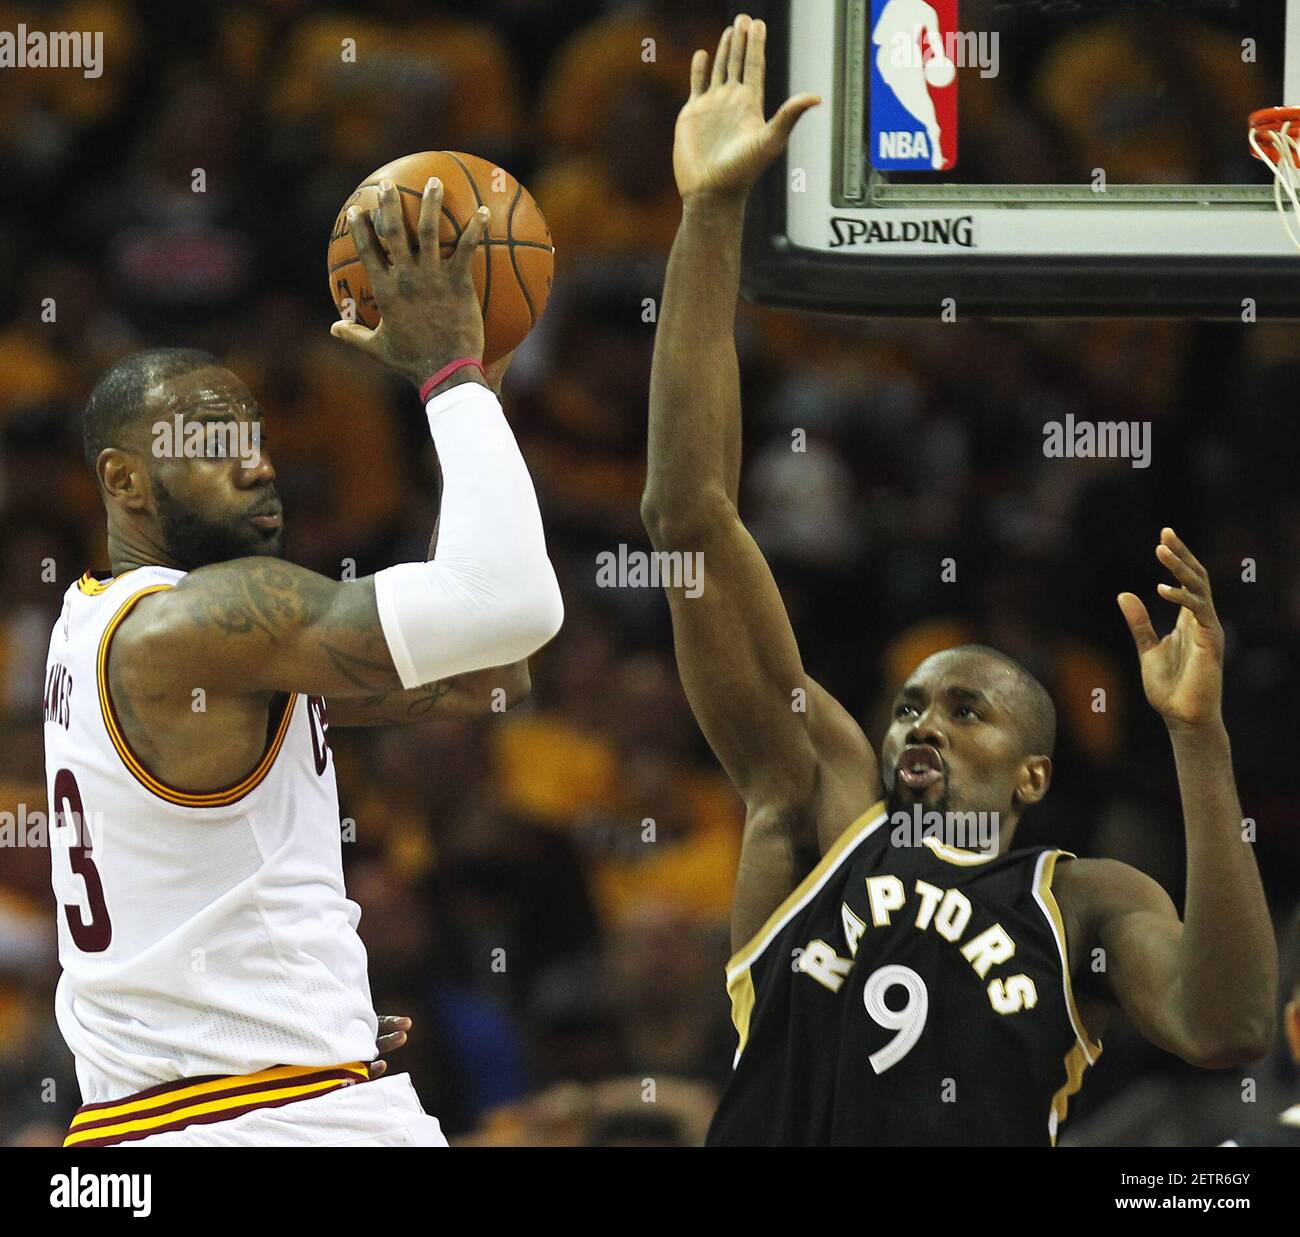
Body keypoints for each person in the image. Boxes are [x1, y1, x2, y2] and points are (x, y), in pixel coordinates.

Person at [640, 14, 1276, 1146]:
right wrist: (710, 215)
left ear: (1034, 774)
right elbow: (685, 516)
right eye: (910, 704)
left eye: (964, 704)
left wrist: (1199, 739)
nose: (918, 721)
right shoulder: (816, 808)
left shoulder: (1082, 898)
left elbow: (1223, 1025)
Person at [47, 181, 563, 1147]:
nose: (258, 464)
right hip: (269, 1121)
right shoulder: (204, 623)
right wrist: (454, 376)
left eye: (258, 440)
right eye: (214, 443)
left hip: (168, 1125)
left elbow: (500, 667)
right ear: (123, 478)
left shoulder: (97, 630)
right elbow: (519, 605)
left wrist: (294, 1011)